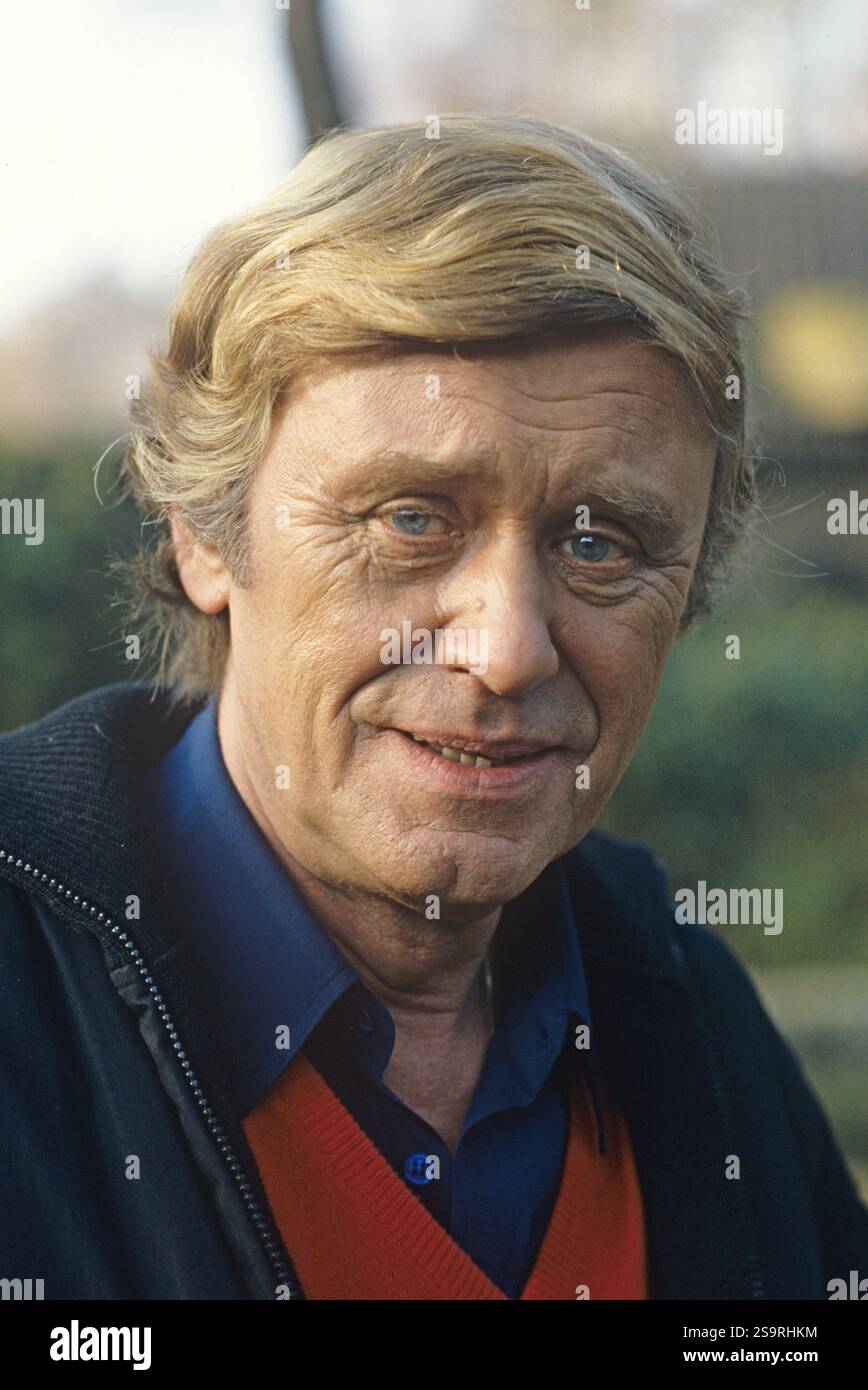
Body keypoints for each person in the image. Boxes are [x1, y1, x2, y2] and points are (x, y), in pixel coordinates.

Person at [1, 115, 865, 1300]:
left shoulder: (698, 1033)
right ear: (204, 529)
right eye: (411, 519)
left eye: (601, 542)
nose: (506, 649)